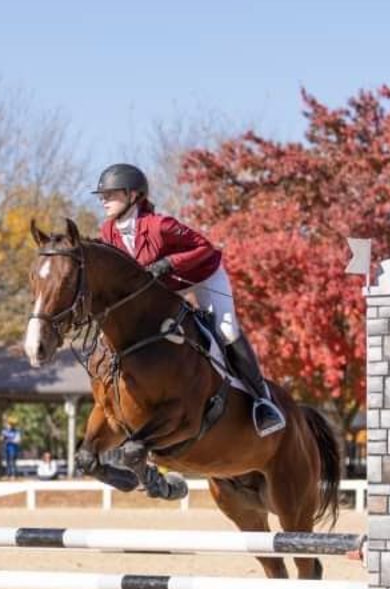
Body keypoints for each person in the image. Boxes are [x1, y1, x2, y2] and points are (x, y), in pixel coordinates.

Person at [93, 163, 285, 436]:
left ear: (133, 195)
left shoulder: (161, 226)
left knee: (227, 331)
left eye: (110, 194)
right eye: (102, 195)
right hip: (165, 288)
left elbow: (205, 247)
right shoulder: (108, 231)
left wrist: (169, 263)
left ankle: (262, 401)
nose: (103, 200)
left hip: (203, 277)